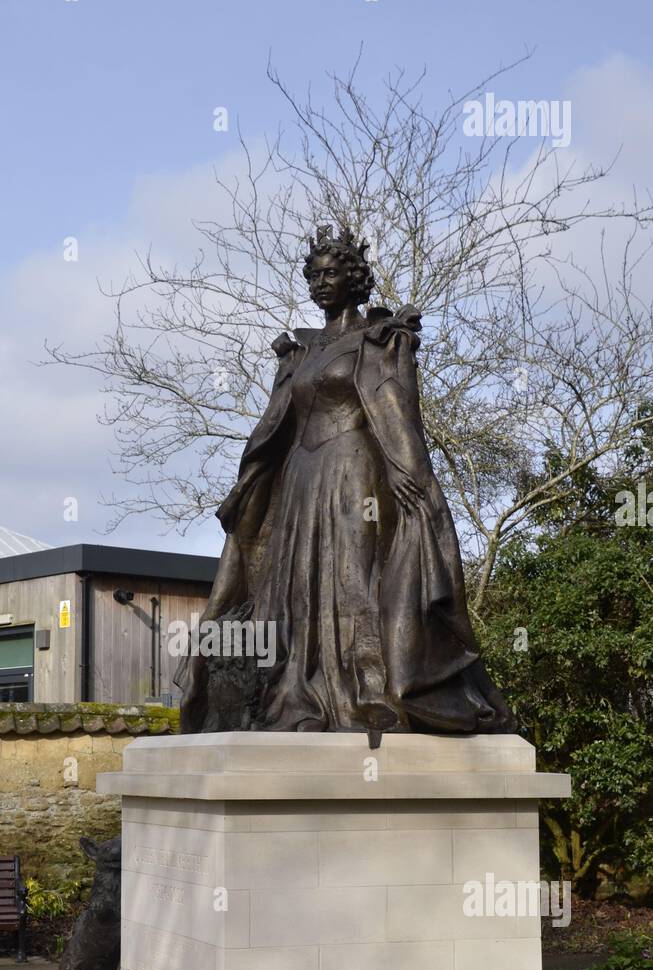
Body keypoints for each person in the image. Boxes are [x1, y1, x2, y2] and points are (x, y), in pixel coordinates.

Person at [176, 225, 515, 735]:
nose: (319, 283)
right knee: (293, 583)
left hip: (356, 471)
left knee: (355, 576)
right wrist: (250, 485)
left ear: (354, 279)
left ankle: (368, 691)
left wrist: (408, 473)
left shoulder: (380, 339)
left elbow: (400, 412)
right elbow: (274, 428)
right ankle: (298, 697)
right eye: (312, 275)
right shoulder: (301, 352)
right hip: (299, 479)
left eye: (330, 273)